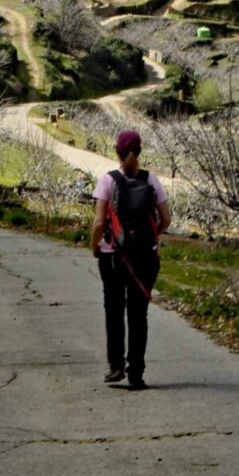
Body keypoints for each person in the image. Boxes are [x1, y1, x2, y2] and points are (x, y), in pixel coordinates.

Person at [89, 129, 172, 389]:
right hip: (144, 259)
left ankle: (115, 367)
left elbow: (99, 222)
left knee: (113, 310)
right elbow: (166, 218)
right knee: (139, 314)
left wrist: (95, 246)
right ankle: (136, 373)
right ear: (140, 150)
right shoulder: (152, 181)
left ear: (117, 151)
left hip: (113, 257)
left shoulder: (108, 181)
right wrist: (152, 238)